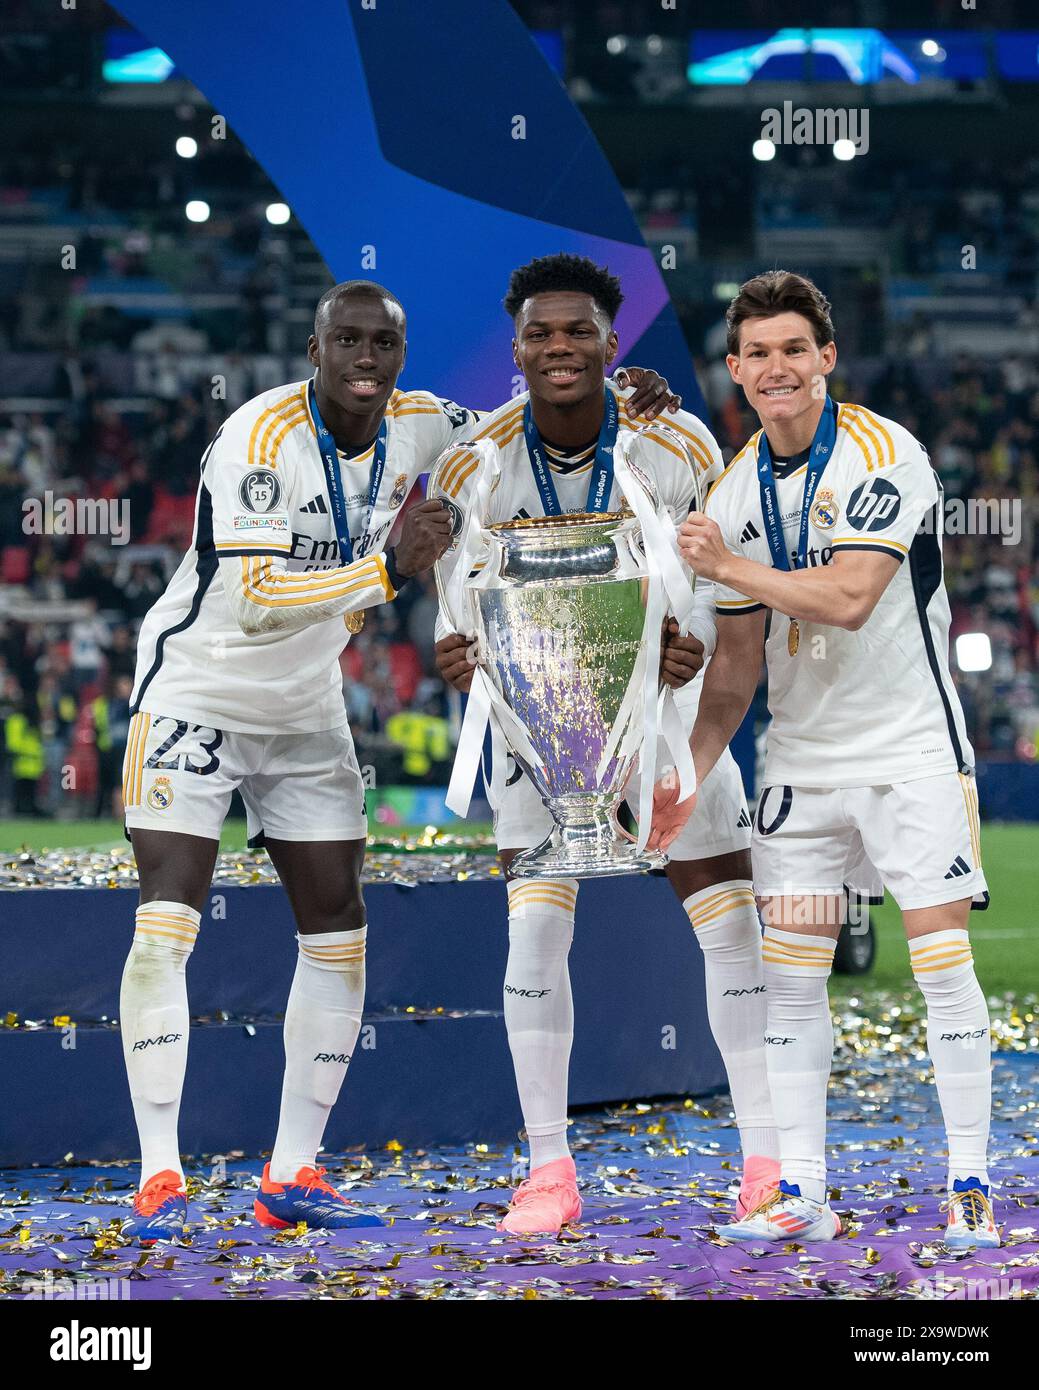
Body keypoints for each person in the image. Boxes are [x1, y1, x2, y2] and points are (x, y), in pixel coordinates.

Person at [120, 277, 676, 1244]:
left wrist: (624, 391)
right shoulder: (257, 440)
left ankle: (292, 1169)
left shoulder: (420, 422)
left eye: (383, 343)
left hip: (305, 708)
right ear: (315, 348)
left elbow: (523, 412)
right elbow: (254, 596)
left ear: (401, 357)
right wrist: (386, 570)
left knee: (338, 926)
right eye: (348, 341)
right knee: (168, 922)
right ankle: (159, 1172)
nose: (366, 358)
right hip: (195, 692)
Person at [433, 254, 778, 1237]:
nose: (558, 347)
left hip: (661, 721)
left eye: (577, 330)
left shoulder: (675, 439)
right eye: (540, 333)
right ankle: (549, 1171)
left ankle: (762, 1161)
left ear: (611, 342)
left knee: (730, 927)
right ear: (517, 349)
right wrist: (456, 653)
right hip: (534, 730)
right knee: (535, 932)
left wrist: (690, 647)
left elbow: (722, 576)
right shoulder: (478, 460)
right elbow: (454, 594)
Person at [653, 270, 996, 1248]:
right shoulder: (733, 488)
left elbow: (848, 596)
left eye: (794, 349)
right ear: (734, 369)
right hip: (799, 767)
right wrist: (690, 767)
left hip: (908, 754)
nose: (777, 369)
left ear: (826, 357)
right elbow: (734, 670)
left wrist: (722, 565)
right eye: (757, 353)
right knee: (792, 981)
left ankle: (967, 1176)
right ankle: (800, 1187)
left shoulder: (888, 454)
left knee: (938, 964)